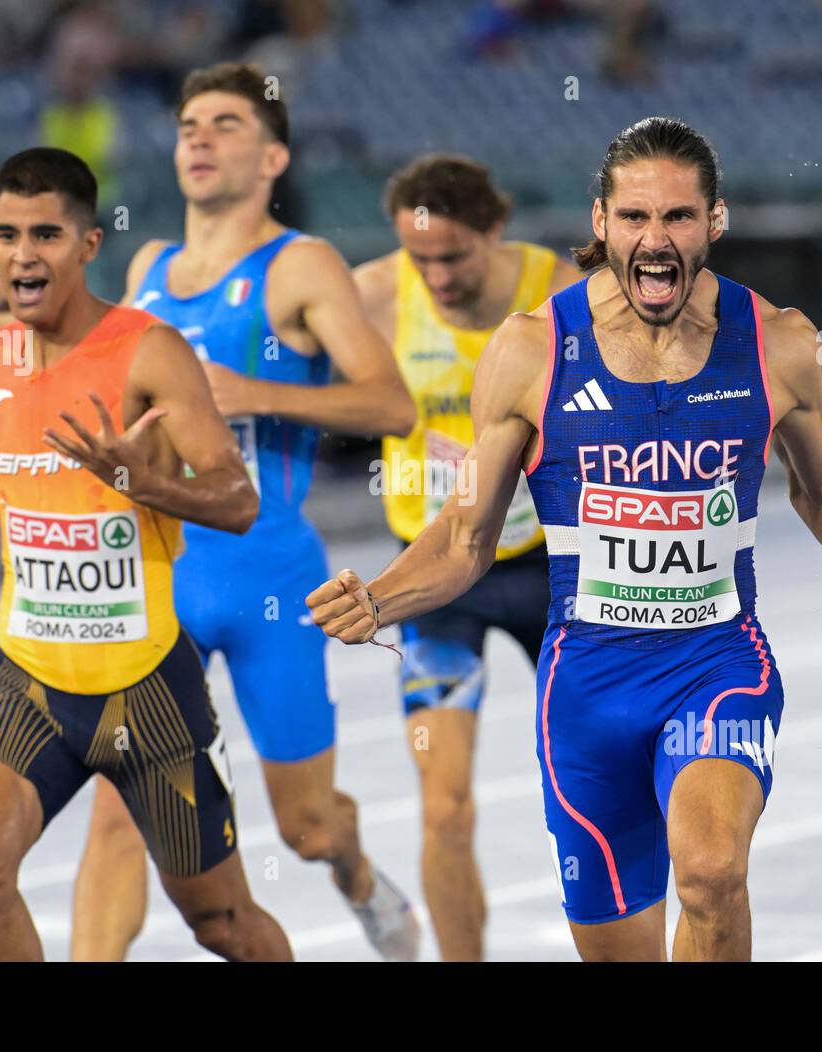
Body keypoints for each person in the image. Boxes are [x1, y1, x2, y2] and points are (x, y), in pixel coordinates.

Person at [307, 117, 822, 962]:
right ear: (600, 223)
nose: (657, 238)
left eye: (679, 217)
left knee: (711, 873)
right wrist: (378, 596)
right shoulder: (531, 351)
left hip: (718, 664)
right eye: (635, 218)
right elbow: (465, 536)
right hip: (588, 689)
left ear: (715, 223)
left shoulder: (778, 342)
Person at [0, 63, 420, 962]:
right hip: (158, 575)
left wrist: (248, 392)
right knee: (118, 820)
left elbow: (392, 407)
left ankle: (357, 871)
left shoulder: (301, 265)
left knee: (306, 831)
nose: (199, 140)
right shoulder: (148, 269)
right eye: (186, 126)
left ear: (273, 155)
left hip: (268, 569)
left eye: (224, 124)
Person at [0, 147, 291, 962]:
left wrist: (143, 483)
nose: (22, 254)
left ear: (88, 245)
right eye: (6, 234)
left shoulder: (149, 352)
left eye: (45, 234)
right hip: (29, 681)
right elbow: (10, 467)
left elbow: (238, 499)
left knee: (222, 924)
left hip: (147, 691)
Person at [352, 154, 577, 960]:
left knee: (594, 793)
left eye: (454, 256)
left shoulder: (561, 292)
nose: (437, 277)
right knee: (444, 808)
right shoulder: (372, 294)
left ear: (495, 229)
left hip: (555, 572)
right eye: (421, 259)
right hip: (438, 578)